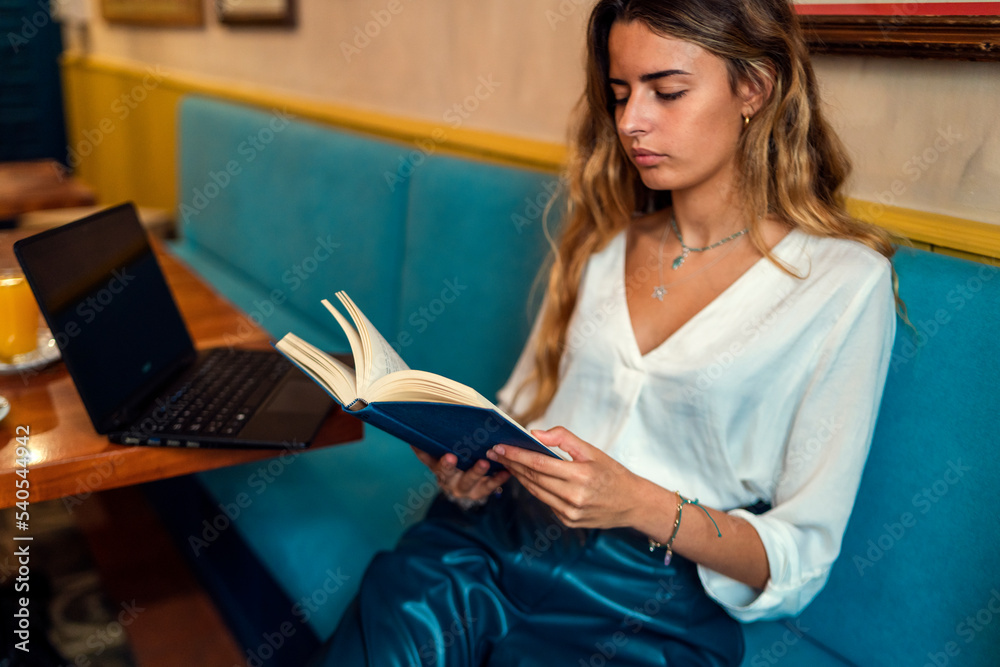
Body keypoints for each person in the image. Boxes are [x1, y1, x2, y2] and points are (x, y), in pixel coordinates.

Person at [316, 0, 901, 664]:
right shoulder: (602, 242)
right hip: (489, 539)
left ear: (754, 88)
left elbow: (799, 559)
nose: (630, 122)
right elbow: (522, 411)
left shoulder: (844, 284)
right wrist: (470, 472)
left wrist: (638, 503)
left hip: (645, 599)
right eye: (620, 94)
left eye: (667, 92)